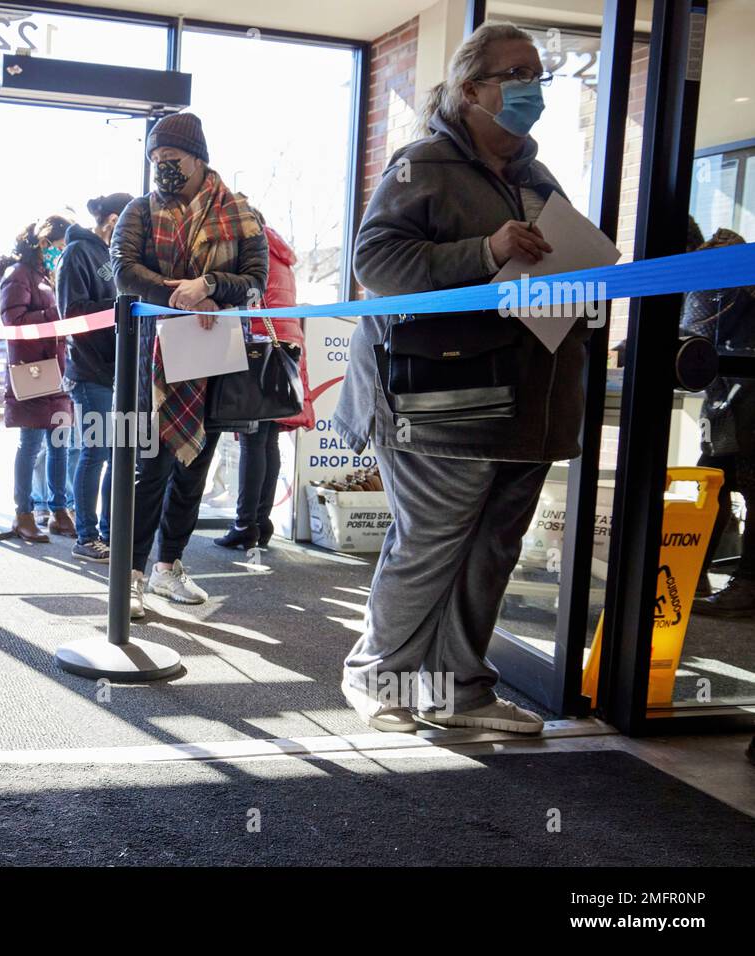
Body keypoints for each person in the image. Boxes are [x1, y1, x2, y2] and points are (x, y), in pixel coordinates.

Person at [333, 23, 572, 735]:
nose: (533, 88)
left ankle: (457, 692)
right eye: (517, 73)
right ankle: (377, 677)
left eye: (539, 75)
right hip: (437, 397)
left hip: (527, 398)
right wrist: (483, 250)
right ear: (471, 89)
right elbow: (375, 263)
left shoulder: (535, 175)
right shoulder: (424, 164)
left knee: (493, 549)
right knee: (432, 540)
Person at [112, 112, 268, 616]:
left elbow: (255, 278)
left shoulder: (241, 212)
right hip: (151, 361)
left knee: (195, 468)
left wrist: (212, 288)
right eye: (155, 160)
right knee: (150, 468)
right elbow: (123, 273)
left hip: (214, 355)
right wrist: (182, 296)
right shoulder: (138, 211)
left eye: (171, 159)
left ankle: (168, 567)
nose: (163, 169)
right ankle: (130, 573)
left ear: (198, 158)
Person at [214, 210, 314, 550]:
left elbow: (242, 295)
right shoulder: (281, 253)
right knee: (268, 440)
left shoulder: (253, 251)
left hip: (259, 346)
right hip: (285, 347)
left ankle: (245, 525)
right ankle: (260, 521)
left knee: (253, 441)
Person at [682, 228, 755, 617]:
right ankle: (696, 573)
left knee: (717, 484)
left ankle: (741, 585)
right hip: (730, 398)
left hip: (742, 399)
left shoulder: (718, 272)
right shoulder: (728, 266)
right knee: (713, 483)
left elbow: (696, 333)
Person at [58, 192, 134, 562]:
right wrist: (120, 309)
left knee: (112, 454)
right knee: (95, 452)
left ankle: (105, 531)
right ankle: (86, 536)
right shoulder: (77, 253)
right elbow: (72, 313)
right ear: (114, 218)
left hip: (115, 369)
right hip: (90, 370)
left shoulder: (112, 255)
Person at [0, 216, 75, 543]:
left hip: (55, 371)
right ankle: (23, 512)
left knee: (59, 444)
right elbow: (12, 321)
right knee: (30, 445)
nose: (62, 253)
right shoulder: (18, 275)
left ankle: (59, 511)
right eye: (59, 247)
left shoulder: (46, 276)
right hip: (32, 371)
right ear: (44, 243)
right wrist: (54, 316)